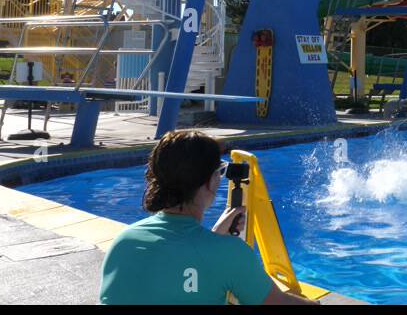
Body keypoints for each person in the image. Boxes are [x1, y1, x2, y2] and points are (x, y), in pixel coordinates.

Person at [99, 130, 316, 305]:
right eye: (219, 171)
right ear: (210, 182)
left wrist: (213, 236)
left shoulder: (124, 241)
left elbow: (174, 268)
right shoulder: (229, 253)